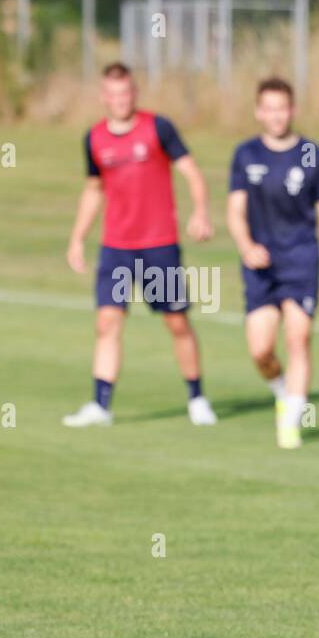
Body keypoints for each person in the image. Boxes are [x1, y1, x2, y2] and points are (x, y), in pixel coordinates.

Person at [64, 61, 217, 427]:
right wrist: (76, 238)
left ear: (135, 93)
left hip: (159, 245)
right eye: (113, 94)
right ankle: (101, 405)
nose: (120, 99)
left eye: (126, 92)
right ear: (104, 96)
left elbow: (191, 172)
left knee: (176, 322)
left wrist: (200, 212)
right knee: (107, 322)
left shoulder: (158, 128)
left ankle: (197, 398)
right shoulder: (94, 138)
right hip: (117, 247)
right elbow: (93, 189)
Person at [228, 76, 319, 450]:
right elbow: (234, 211)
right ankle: (281, 390)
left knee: (298, 337)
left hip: (301, 259)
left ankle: (291, 422)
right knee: (261, 350)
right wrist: (246, 246)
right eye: (269, 108)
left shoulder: (313, 155)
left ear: (292, 110)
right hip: (260, 265)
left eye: (283, 108)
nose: (277, 116)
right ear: (259, 112)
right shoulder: (246, 155)